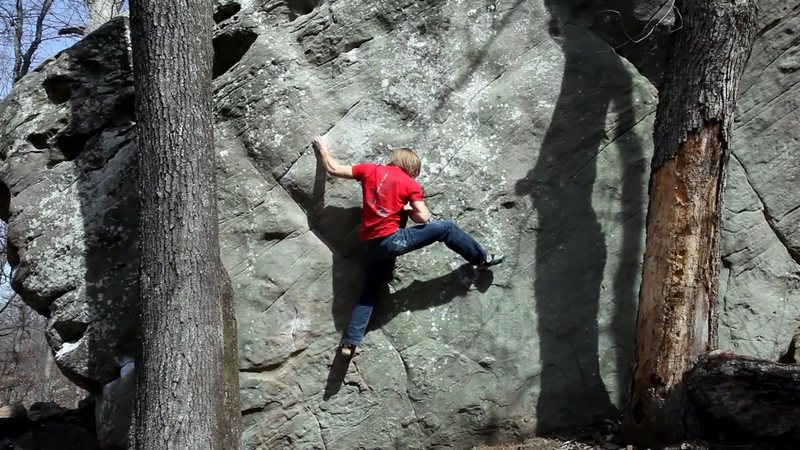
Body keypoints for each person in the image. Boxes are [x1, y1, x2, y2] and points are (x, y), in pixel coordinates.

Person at [312, 135, 506, 356]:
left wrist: (322, 149)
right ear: (412, 168)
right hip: (391, 241)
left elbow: (334, 168)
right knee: (447, 228)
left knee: (371, 289)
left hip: (369, 246)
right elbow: (423, 218)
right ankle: (482, 259)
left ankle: (349, 343)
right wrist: (406, 209)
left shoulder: (370, 171)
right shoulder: (409, 183)